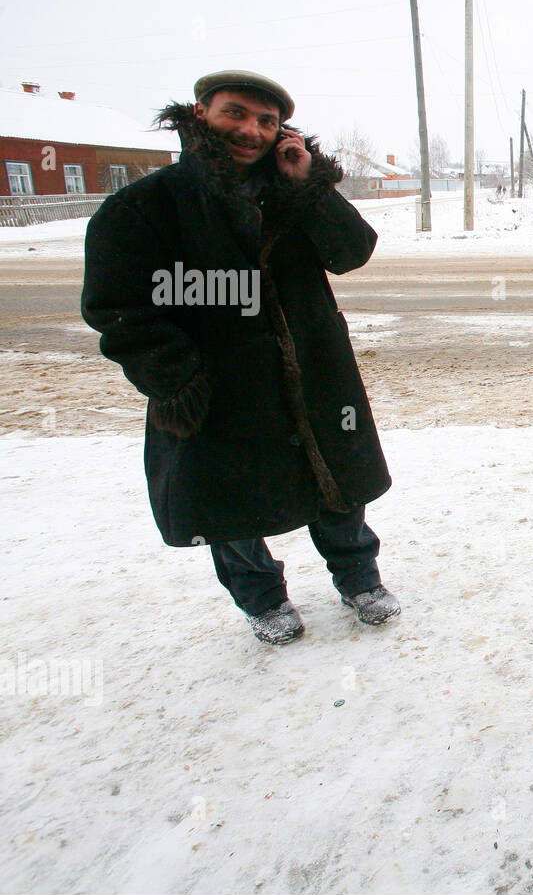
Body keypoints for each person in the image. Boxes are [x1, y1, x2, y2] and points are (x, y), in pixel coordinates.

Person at [82, 70, 399, 645]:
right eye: (236, 113)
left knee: (336, 483)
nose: (250, 130)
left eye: (266, 121)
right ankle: (262, 599)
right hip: (213, 384)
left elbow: (351, 252)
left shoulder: (290, 193)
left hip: (312, 371)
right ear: (201, 112)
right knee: (228, 503)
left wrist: (309, 187)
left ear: (282, 131)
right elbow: (116, 308)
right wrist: (180, 379)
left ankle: (359, 578)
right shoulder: (144, 207)